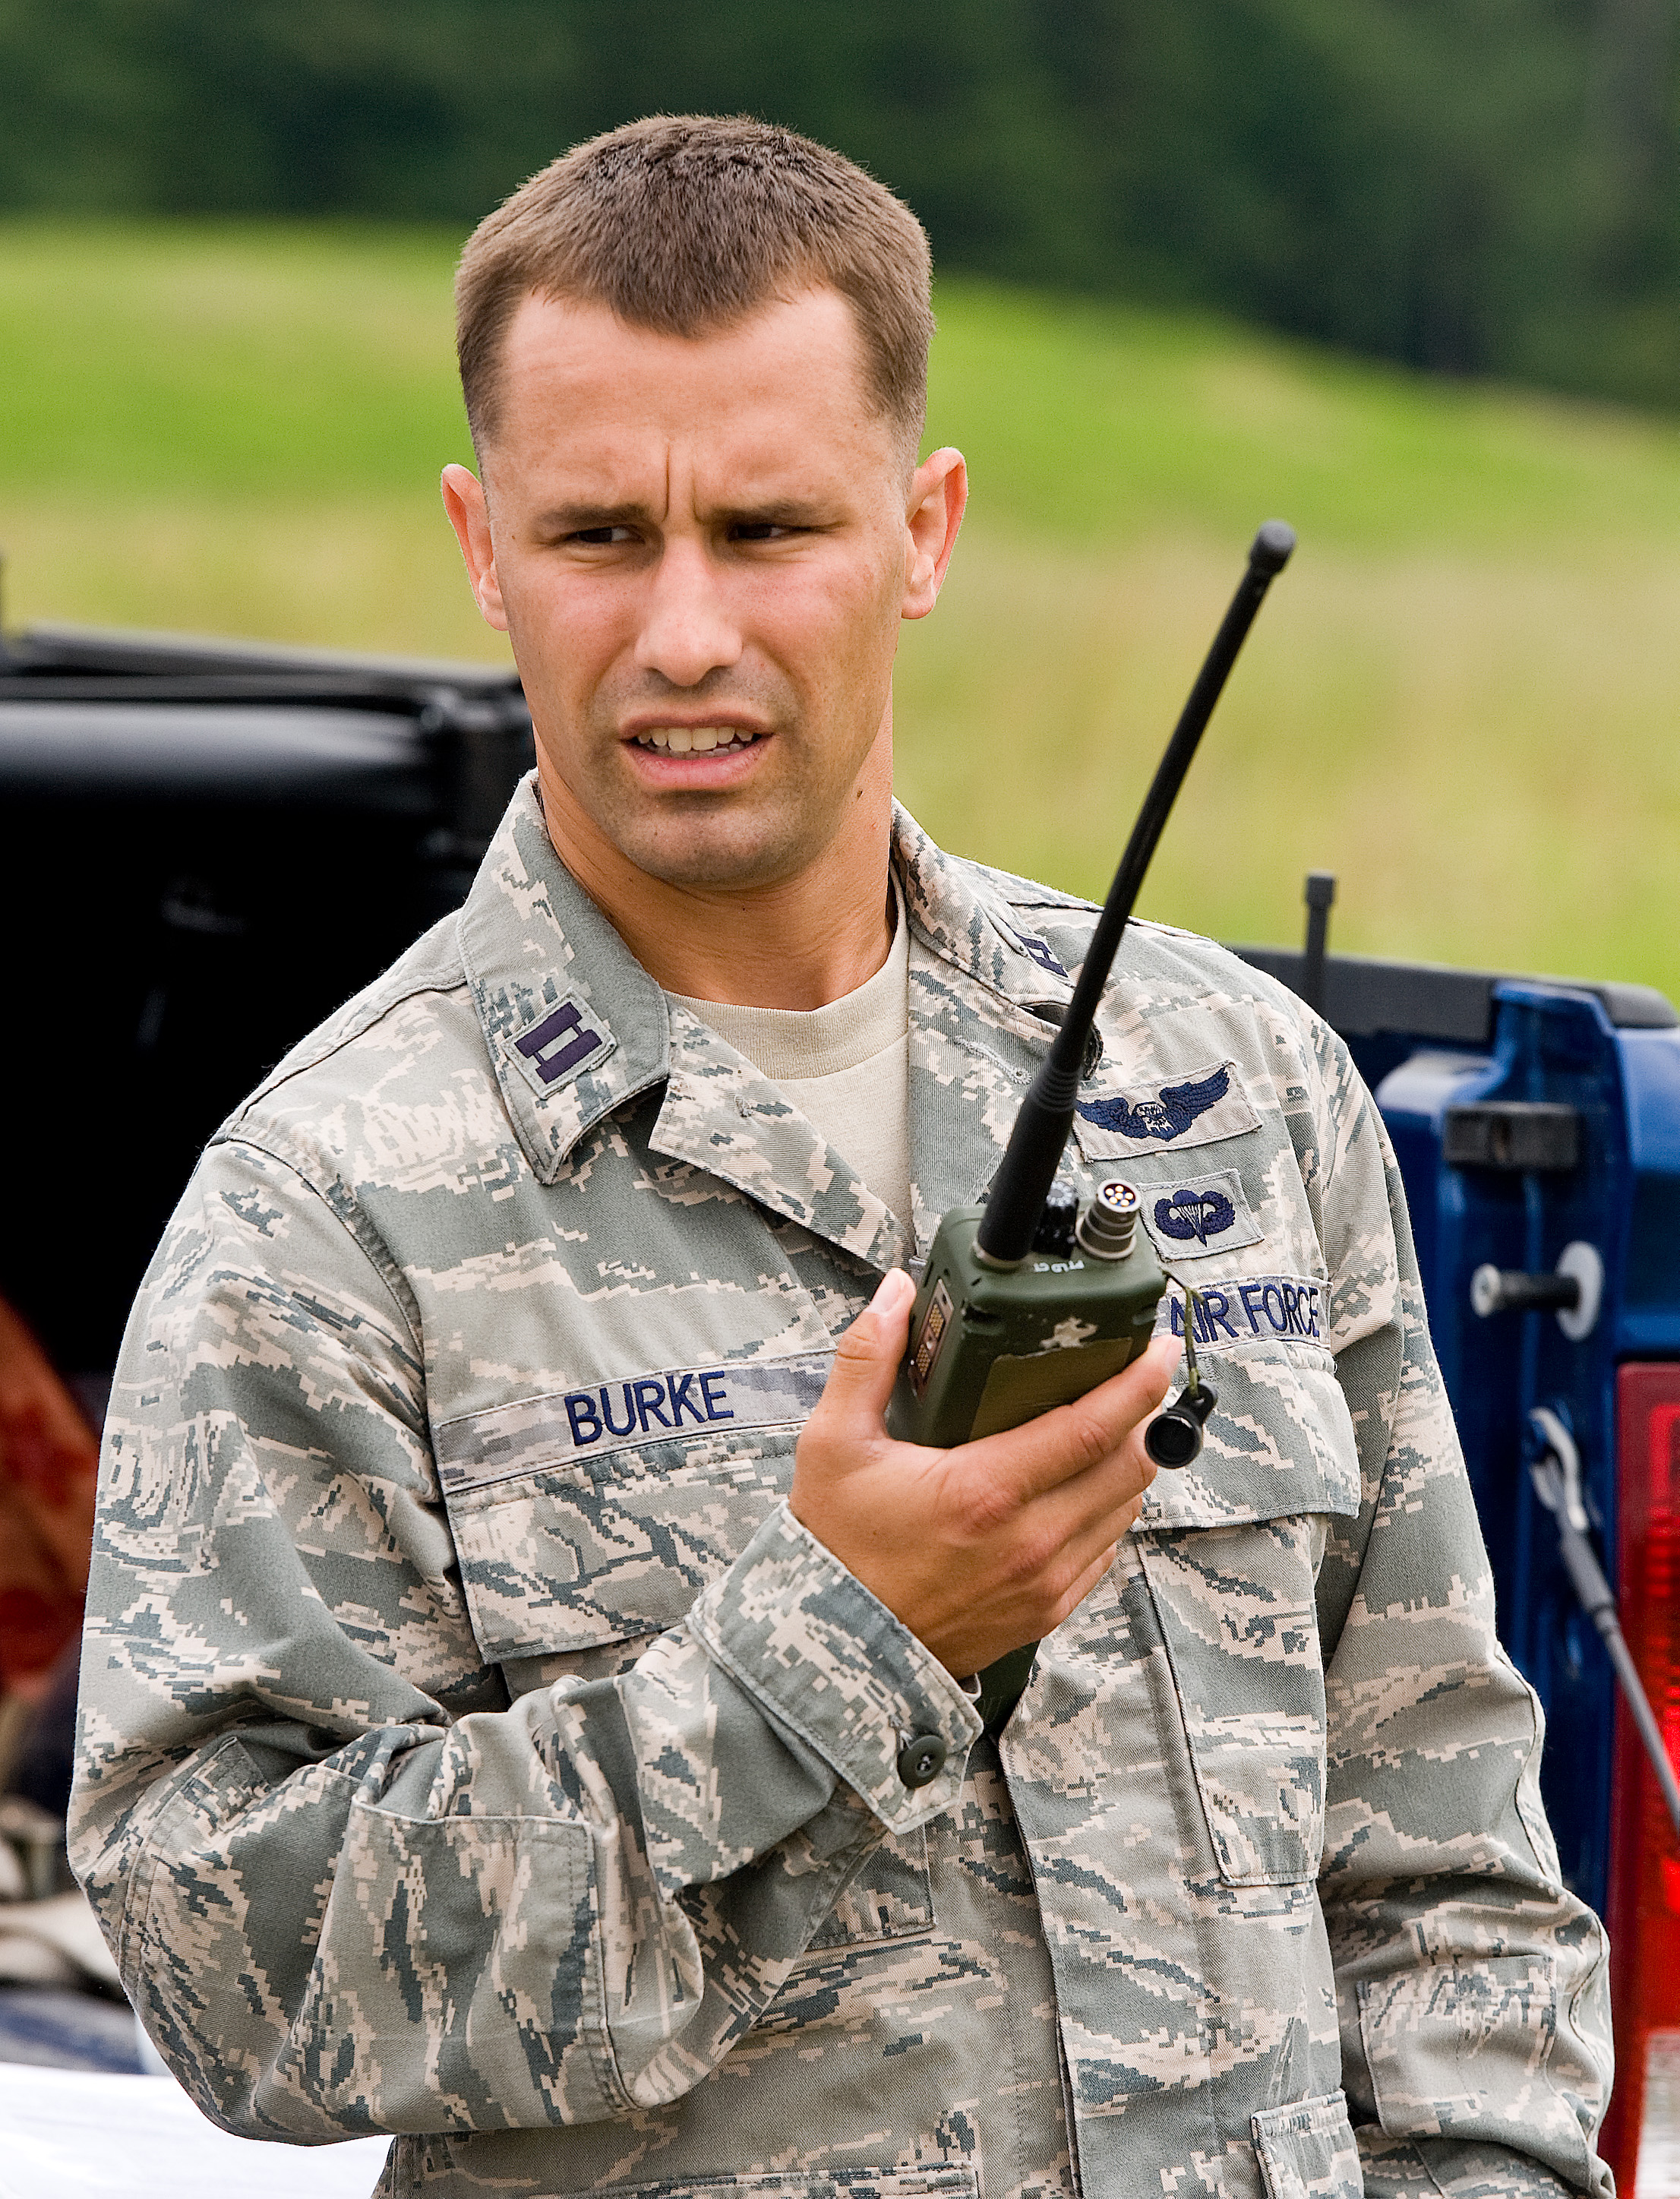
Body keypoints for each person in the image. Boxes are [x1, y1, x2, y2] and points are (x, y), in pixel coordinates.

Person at [70, 115, 1612, 2199]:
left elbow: (1445, 1860)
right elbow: (234, 1983)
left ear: (922, 528)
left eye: (767, 526)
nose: (684, 633)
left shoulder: (1231, 1084)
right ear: (481, 545)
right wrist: (830, 1644)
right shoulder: (328, 1213)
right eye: (600, 534)